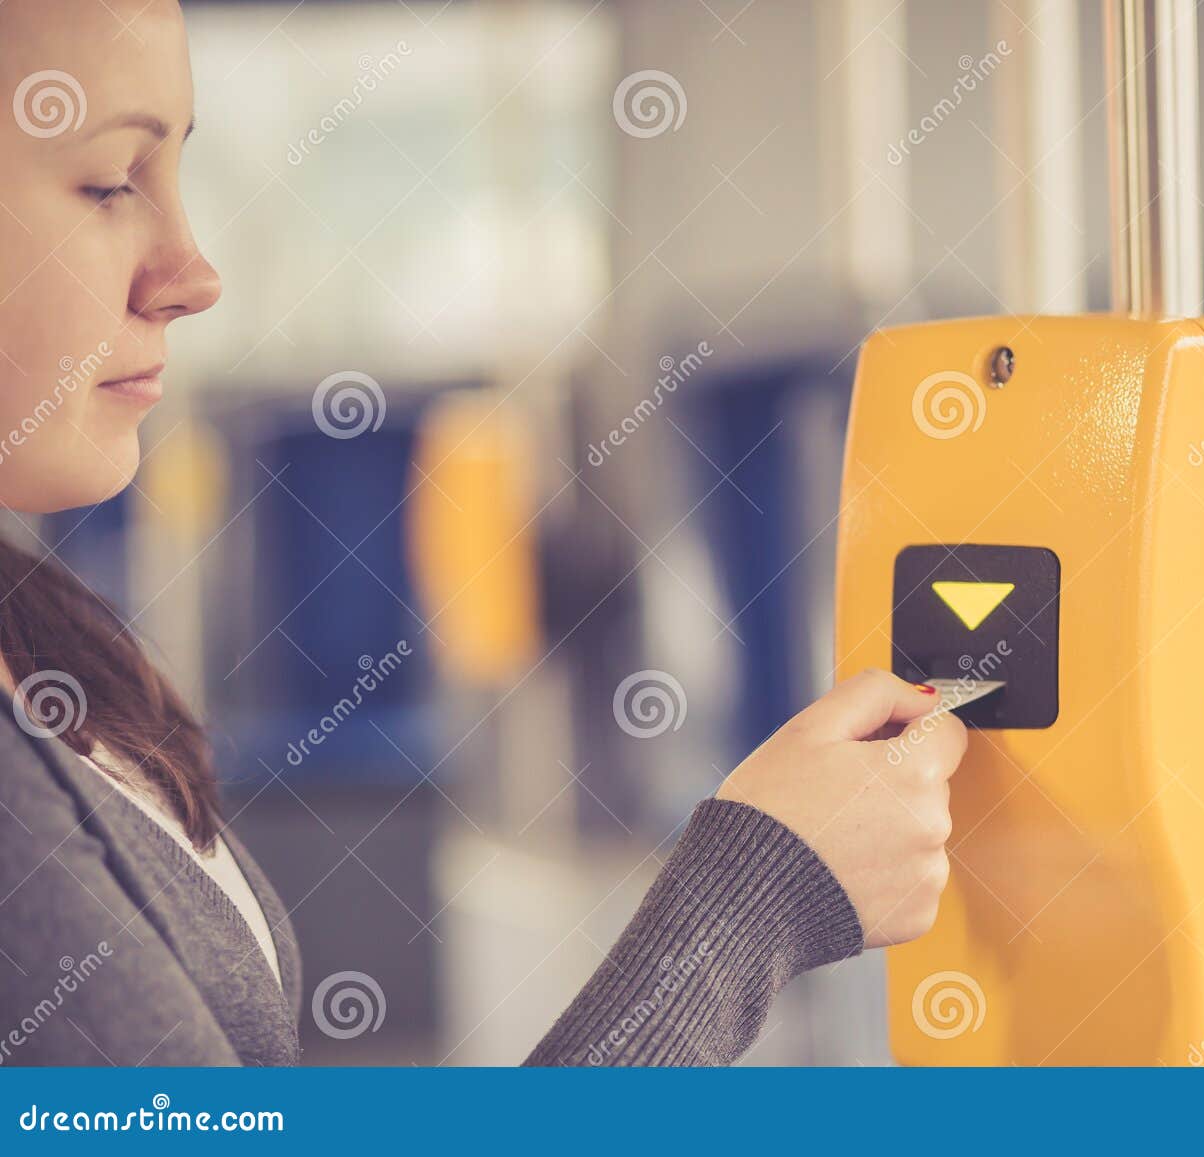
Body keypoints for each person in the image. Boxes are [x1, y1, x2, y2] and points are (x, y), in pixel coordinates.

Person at [0, 0, 967, 1066]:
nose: (194, 272)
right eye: (107, 184)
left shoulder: (44, 641)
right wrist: (757, 895)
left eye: (177, 169)